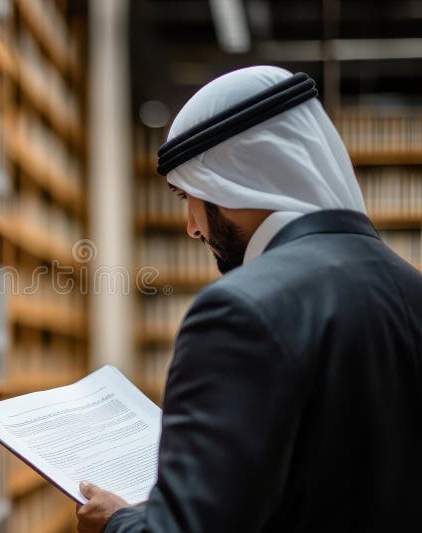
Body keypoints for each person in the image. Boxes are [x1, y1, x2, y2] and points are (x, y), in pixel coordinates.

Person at [75, 65, 422, 533]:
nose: (192, 227)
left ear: (235, 179)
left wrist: (117, 522)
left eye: (188, 197)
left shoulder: (240, 310)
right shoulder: (411, 287)